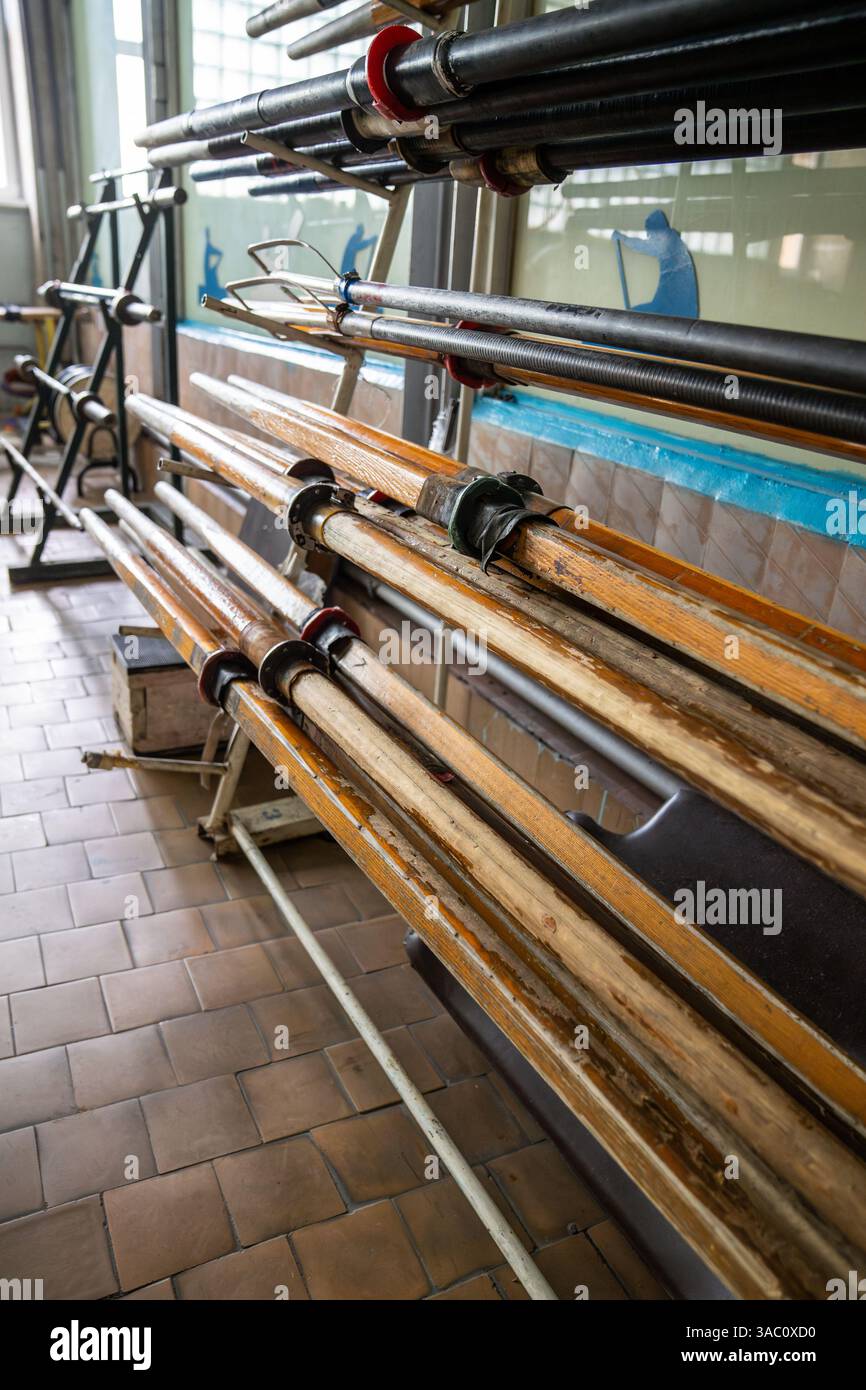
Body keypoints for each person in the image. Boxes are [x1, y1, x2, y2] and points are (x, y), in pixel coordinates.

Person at [611, 209, 699, 317]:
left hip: (674, 302)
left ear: (656, 228)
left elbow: (644, 246)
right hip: (675, 300)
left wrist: (622, 238)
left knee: (635, 316)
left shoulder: (667, 240)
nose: (648, 235)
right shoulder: (673, 239)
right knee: (635, 315)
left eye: (649, 232)